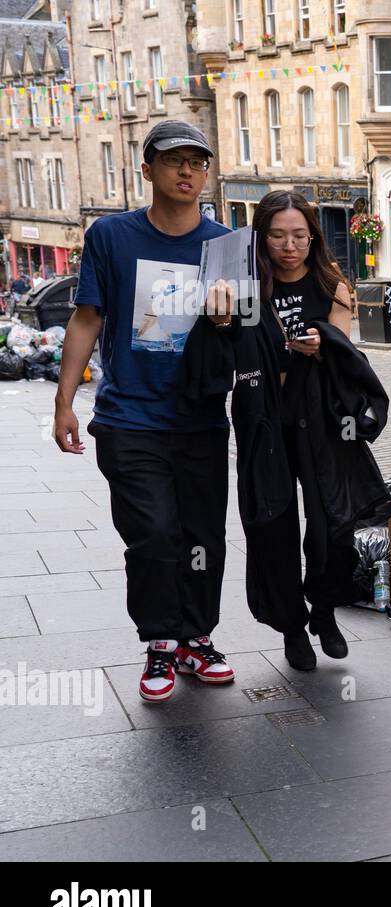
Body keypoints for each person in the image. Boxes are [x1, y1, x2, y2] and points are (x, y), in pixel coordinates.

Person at [53, 119, 235, 703]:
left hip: (201, 418)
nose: (187, 171)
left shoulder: (227, 243)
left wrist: (229, 316)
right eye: (174, 160)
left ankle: (197, 636)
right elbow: (87, 317)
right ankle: (161, 642)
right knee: (154, 535)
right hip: (130, 418)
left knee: (203, 536)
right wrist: (64, 402)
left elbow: (242, 338)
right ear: (148, 169)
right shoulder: (111, 236)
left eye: (197, 162)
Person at [223, 189, 389, 671]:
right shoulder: (246, 286)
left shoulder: (331, 284)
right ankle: (292, 626)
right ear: (261, 237)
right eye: (277, 235)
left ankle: (323, 607)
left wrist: (324, 343)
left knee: (332, 525)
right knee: (272, 524)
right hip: (264, 418)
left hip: (319, 420)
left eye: (299, 235)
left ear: (313, 236)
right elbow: (230, 348)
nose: (289, 245)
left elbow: (345, 355)